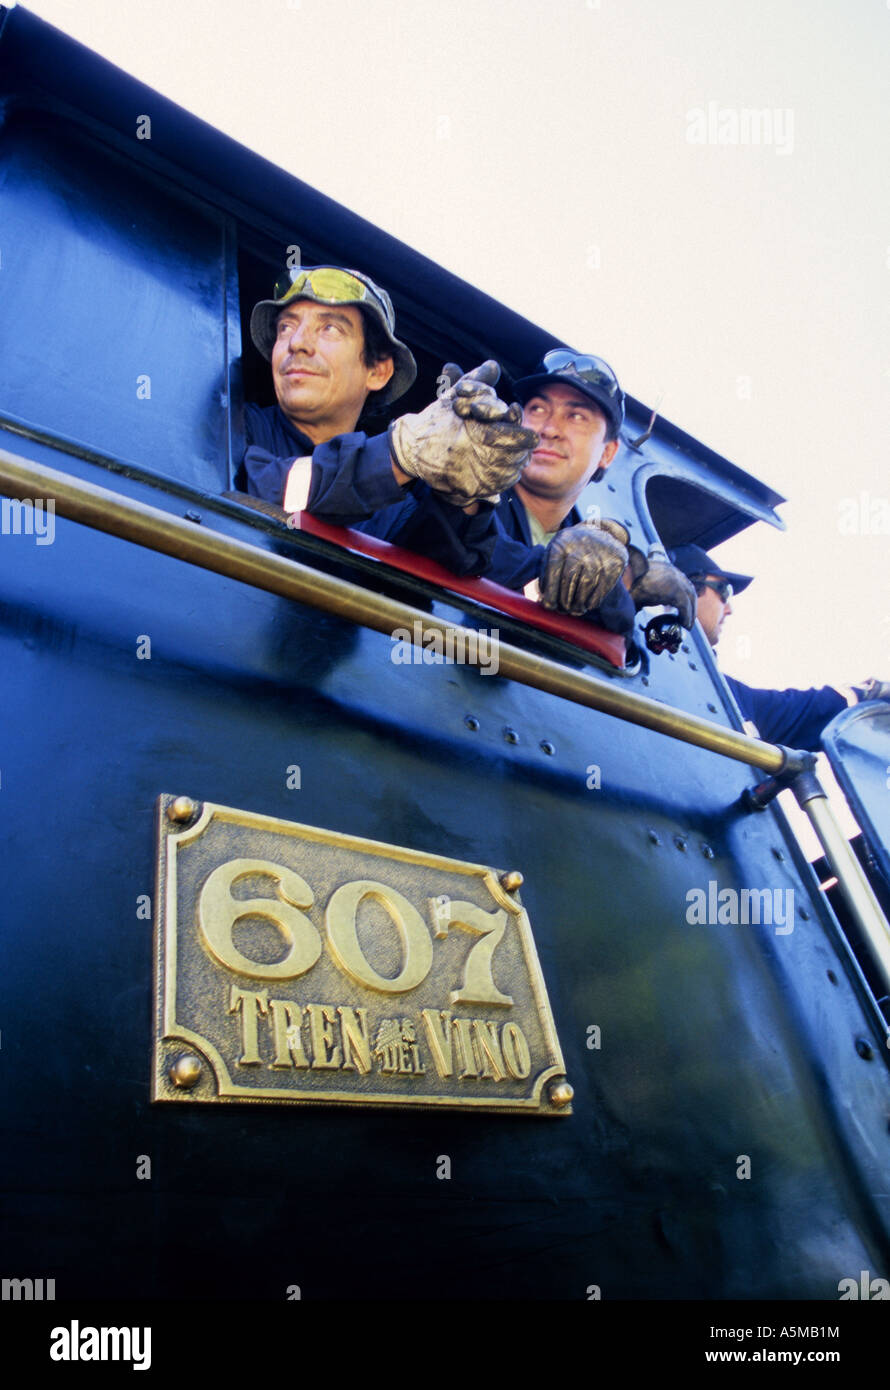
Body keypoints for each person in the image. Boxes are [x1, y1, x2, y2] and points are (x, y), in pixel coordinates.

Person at [238, 262, 536, 576]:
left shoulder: (403, 500)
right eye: (286, 326)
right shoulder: (233, 423)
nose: (296, 342)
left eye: (330, 328)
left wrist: (464, 493)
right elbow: (262, 488)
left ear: (378, 370)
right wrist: (399, 453)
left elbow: (458, 568)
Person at [486, 351, 696, 636]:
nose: (549, 429)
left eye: (576, 416)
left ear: (607, 453)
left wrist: (620, 591)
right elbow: (475, 551)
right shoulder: (473, 491)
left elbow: (623, 642)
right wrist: (619, 588)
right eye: (537, 409)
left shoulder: (584, 535)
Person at [670, 543, 889, 750]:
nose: (729, 609)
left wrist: (871, 694)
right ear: (685, 588)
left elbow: (809, 710)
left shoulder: (734, 697)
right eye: (723, 591)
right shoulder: (637, 657)